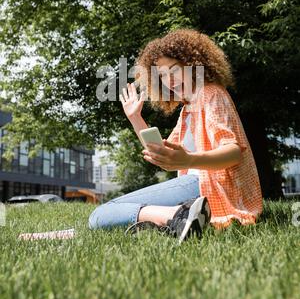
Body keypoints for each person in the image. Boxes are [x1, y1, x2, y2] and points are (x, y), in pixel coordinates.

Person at [89, 28, 263, 242]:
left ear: (191, 65)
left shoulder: (210, 94)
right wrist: (135, 118)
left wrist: (189, 159)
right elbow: (162, 154)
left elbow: (233, 152)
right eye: (161, 75)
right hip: (198, 189)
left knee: (100, 214)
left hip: (204, 186)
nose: (168, 79)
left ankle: (179, 216)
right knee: (107, 213)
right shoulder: (188, 109)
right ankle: (181, 218)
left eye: (174, 70)